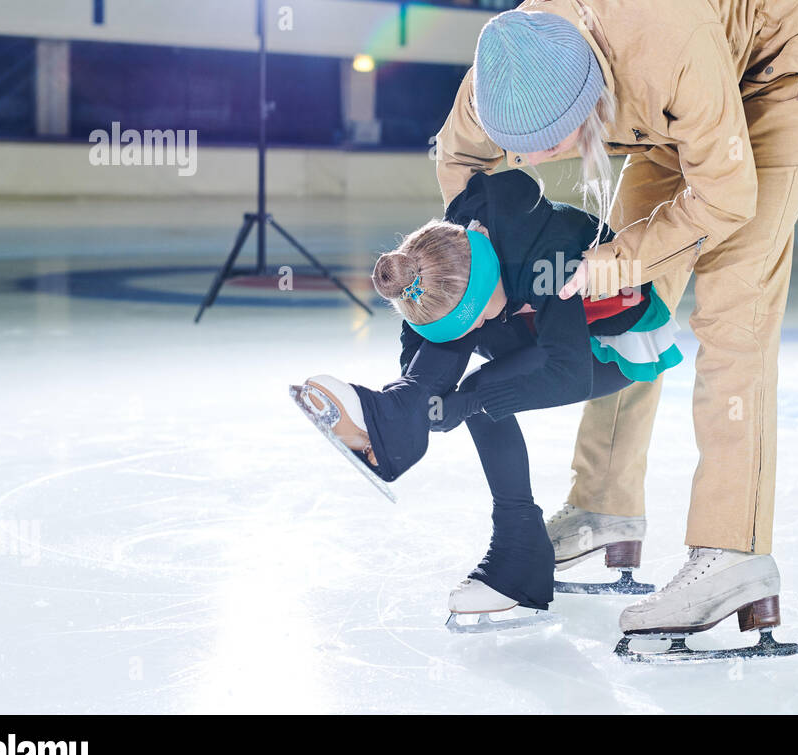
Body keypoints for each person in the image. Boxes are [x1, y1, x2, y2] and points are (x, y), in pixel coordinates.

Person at [431, 0, 798, 658]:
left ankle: (734, 552)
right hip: (666, 108)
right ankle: (603, 507)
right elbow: (459, 163)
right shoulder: (506, 67)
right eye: (517, 148)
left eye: (547, 145)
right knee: (622, 310)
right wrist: (485, 259)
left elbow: (726, 197)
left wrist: (619, 254)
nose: (531, 161)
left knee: (732, 312)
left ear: (592, 98)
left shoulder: (669, 51)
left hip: (773, 73)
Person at [293, 168, 685, 630]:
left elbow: (569, 375)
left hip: (608, 342)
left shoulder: (551, 258)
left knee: (480, 393)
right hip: (526, 313)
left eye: (476, 316)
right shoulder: (444, 248)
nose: (477, 328)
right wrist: (421, 399)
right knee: (454, 346)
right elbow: (421, 328)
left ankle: (520, 555)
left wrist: (461, 405)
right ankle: (396, 416)